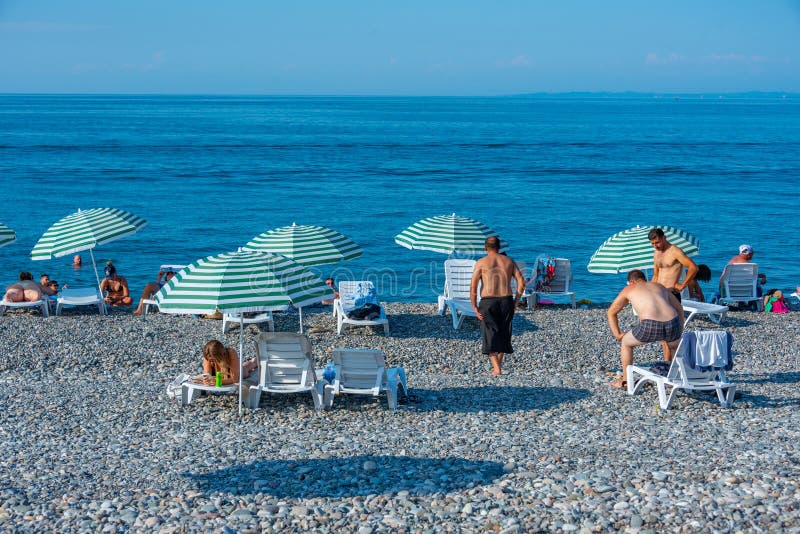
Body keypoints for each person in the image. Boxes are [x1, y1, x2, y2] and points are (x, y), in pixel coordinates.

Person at [607, 269, 685, 388]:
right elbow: (679, 308)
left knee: (626, 343)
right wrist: (680, 328)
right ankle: (675, 378)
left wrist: (618, 334)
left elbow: (611, 312)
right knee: (674, 347)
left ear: (631, 282)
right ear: (643, 279)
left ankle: (626, 381)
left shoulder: (629, 289)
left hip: (650, 324)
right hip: (672, 322)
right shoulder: (659, 286)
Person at [470, 236, 527, 376]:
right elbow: (522, 282)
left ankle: (497, 369)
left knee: (489, 334)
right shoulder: (509, 261)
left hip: (488, 301)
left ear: (485, 247)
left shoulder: (481, 262)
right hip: (506, 300)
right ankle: (498, 366)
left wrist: (474, 307)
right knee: (503, 334)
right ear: (499, 247)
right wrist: (516, 300)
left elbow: (473, 286)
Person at [193, 340, 258, 386]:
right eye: (210, 360)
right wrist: (206, 380)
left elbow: (235, 379)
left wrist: (219, 381)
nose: (211, 362)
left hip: (232, 372)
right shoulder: (208, 355)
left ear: (221, 355)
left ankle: (254, 362)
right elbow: (207, 375)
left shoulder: (231, 353)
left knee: (246, 369)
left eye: (214, 360)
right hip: (218, 374)